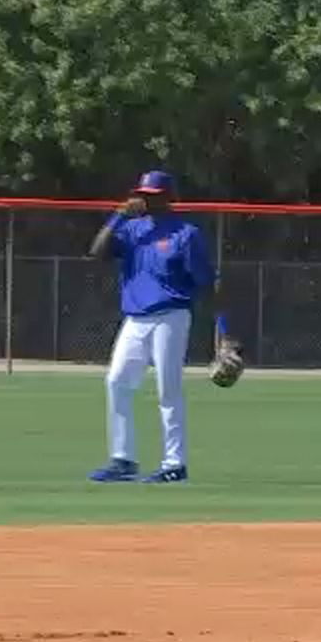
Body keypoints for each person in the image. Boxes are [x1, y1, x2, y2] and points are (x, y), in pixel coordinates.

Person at [87, 170, 217, 484]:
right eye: (142, 193)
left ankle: (175, 464)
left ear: (167, 198)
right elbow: (97, 252)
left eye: (152, 194)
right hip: (135, 319)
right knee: (117, 382)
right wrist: (119, 215)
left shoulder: (186, 234)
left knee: (167, 390)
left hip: (171, 316)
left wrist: (223, 332)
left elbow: (208, 284)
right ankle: (123, 459)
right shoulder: (133, 230)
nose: (144, 199)